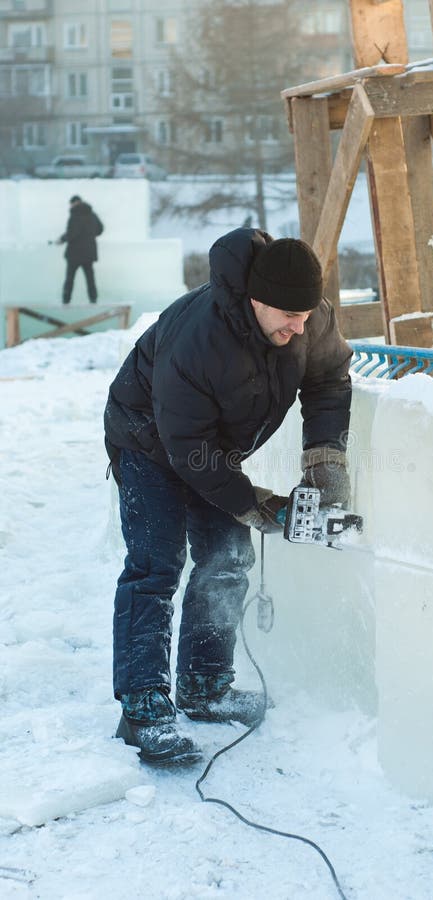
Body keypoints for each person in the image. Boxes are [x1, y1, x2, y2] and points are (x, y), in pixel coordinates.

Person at [104, 228, 352, 765]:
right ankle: (143, 707)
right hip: (149, 439)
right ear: (255, 300)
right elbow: (188, 449)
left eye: (306, 317)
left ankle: (205, 685)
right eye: (289, 316)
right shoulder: (199, 339)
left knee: (229, 555)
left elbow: (330, 381)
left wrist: (326, 462)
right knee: (155, 566)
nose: (299, 327)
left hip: (208, 445)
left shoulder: (304, 314)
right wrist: (257, 505)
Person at [58, 195, 103, 304]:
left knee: (70, 278)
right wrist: (89, 234)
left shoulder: (75, 215)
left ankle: (66, 300)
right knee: (90, 278)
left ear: (75, 203)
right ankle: (93, 299)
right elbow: (100, 229)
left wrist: (62, 239)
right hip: (89, 252)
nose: (70, 206)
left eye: (71, 204)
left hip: (75, 253)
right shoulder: (92, 215)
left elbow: (72, 233)